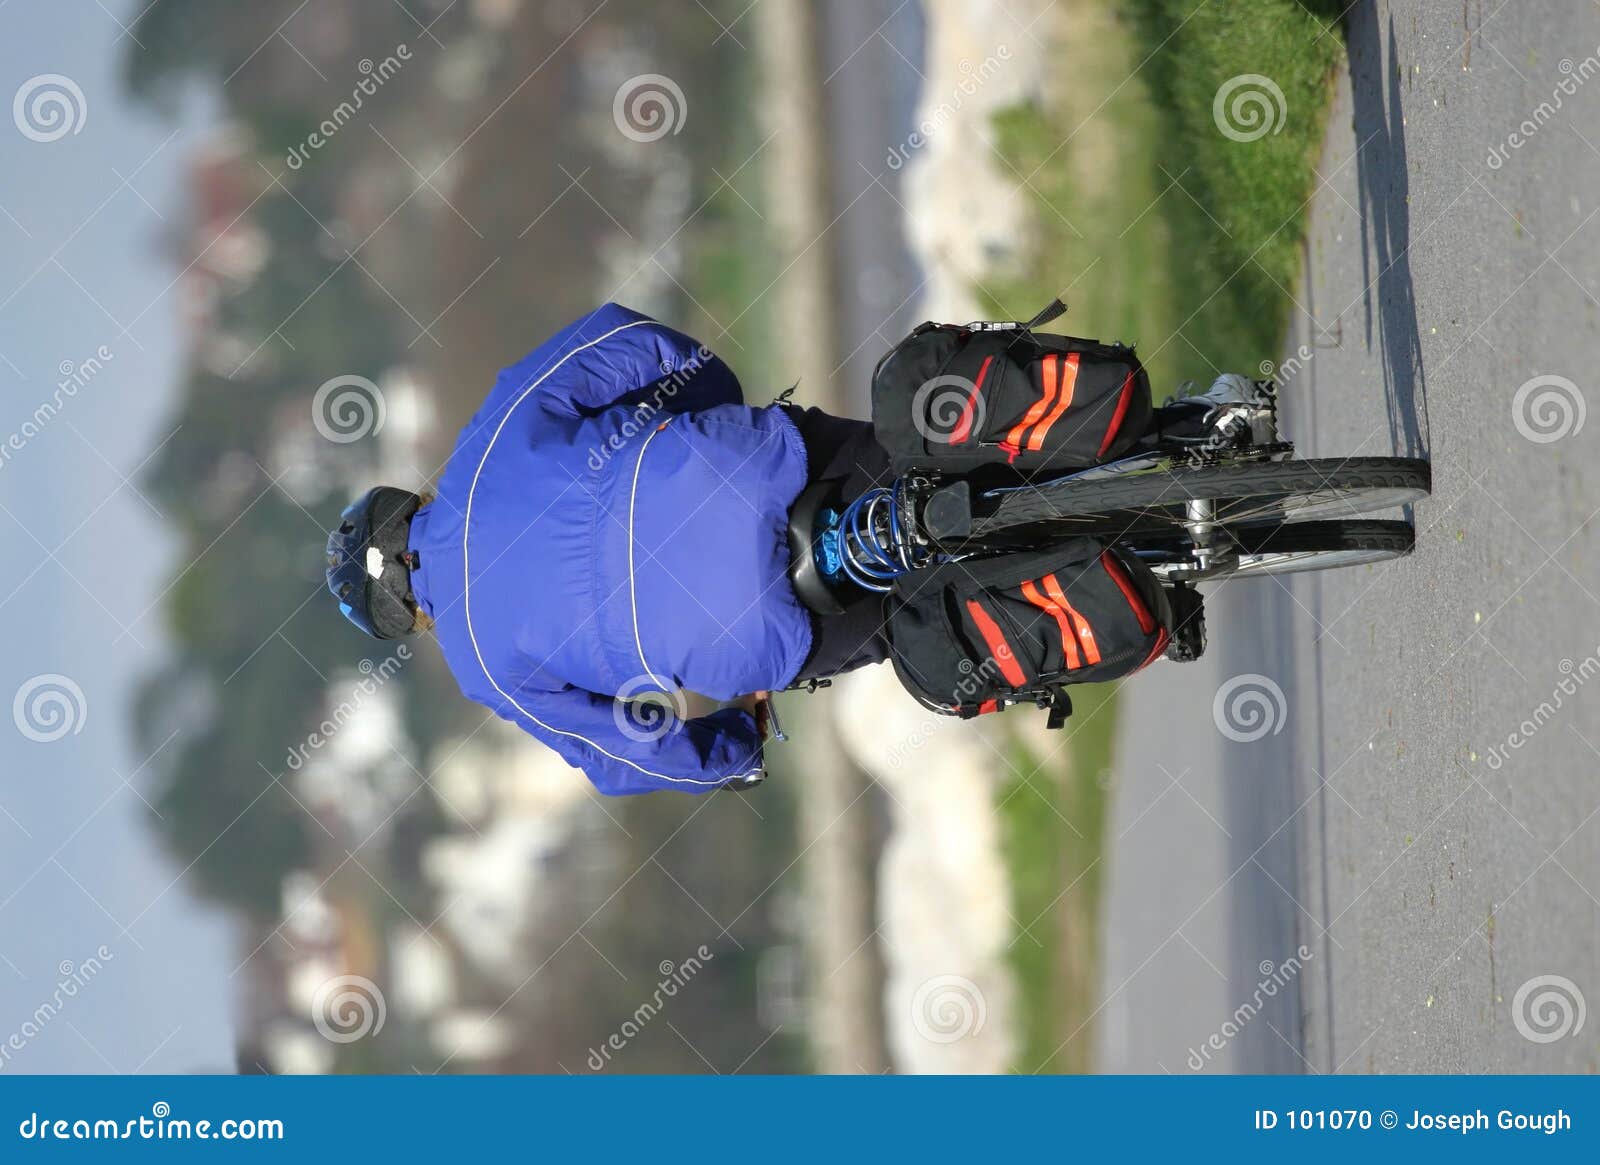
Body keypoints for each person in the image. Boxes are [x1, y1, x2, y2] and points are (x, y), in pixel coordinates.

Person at [324, 303, 1259, 795]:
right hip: (764, 467)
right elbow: (627, 340)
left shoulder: (483, 666)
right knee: (923, 454)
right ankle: (1164, 428)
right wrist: (714, 411)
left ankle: (1130, 598)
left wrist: (734, 746)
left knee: (912, 621)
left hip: (765, 629)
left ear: (410, 618)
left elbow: (627, 754)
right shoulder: (487, 440)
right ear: (411, 503)